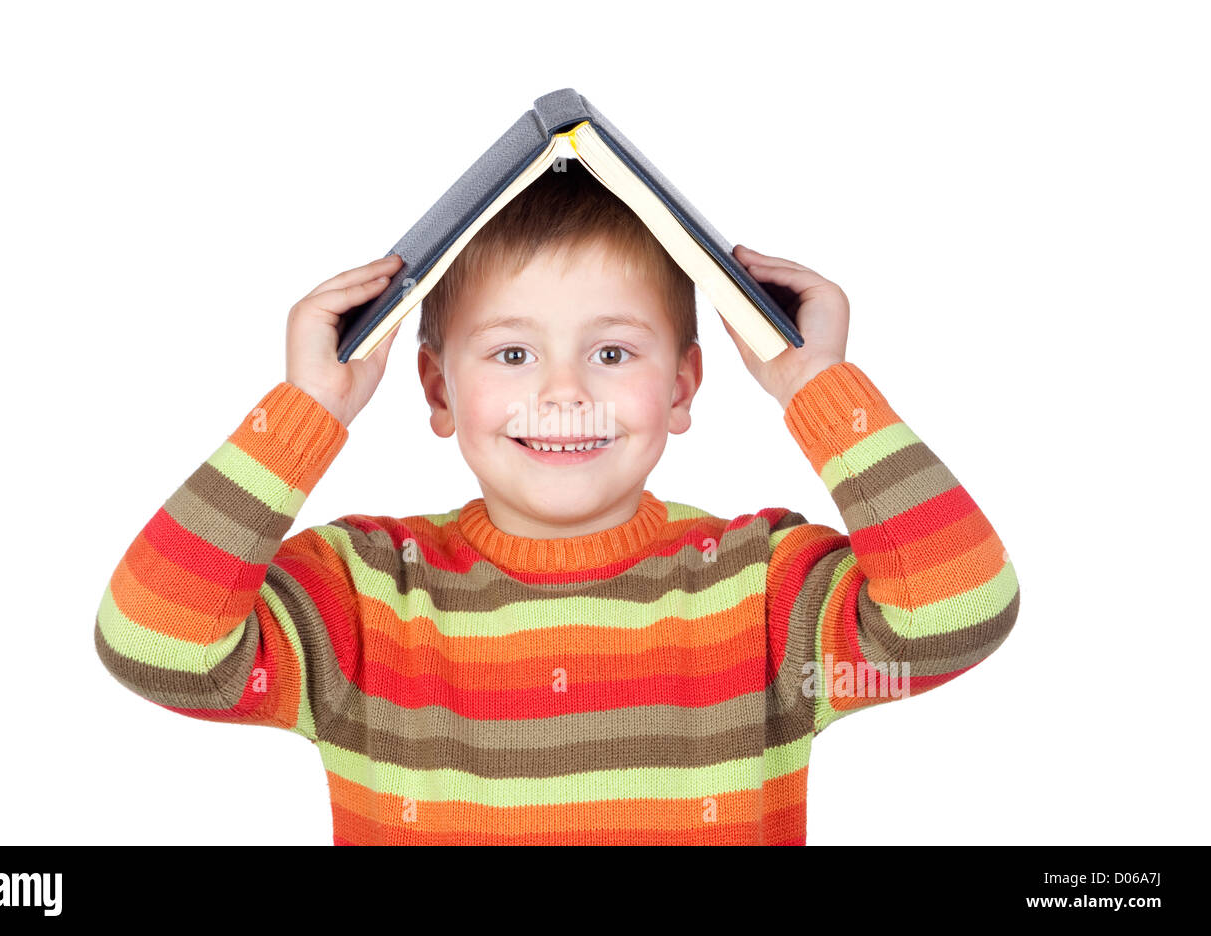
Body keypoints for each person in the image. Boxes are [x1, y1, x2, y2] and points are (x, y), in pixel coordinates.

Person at [94, 165, 1019, 844]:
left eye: (612, 353)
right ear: (438, 390)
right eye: (512, 354)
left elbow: (953, 613)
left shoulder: (760, 592)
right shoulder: (368, 597)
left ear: (684, 387)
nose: (565, 392)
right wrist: (303, 414)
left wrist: (818, 385)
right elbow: (162, 647)